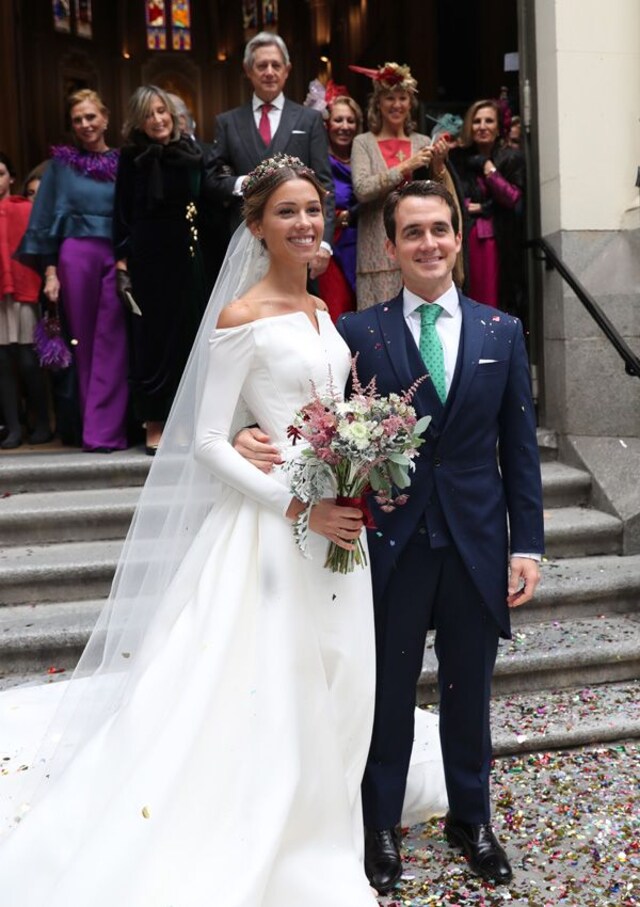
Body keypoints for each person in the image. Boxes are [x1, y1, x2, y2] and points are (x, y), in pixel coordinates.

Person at [0, 154, 379, 906]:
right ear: (258, 226)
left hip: (339, 520)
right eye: (286, 212)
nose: (305, 223)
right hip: (277, 528)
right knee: (272, 684)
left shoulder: (323, 314)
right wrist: (297, 504)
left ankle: (331, 804)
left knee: (344, 669)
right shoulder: (239, 317)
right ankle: (282, 828)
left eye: (312, 209)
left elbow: (324, 413)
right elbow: (207, 441)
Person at [234, 180, 544, 894]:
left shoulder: (502, 331)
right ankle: (379, 826)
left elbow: (519, 450)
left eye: (441, 229)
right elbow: (314, 415)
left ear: (458, 237)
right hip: (389, 543)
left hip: (476, 543)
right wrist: (251, 434)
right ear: (391, 246)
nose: (429, 243)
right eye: (413, 232)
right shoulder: (356, 333)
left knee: (471, 693)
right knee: (386, 692)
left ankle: (473, 818)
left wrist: (525, 544)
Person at [19, 89, 128, 453]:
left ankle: (108, 430)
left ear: (105, 118)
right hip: (74, 256)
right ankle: (90, 430)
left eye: (90, 117)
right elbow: (45, 221)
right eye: (78, 119)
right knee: (81, 345)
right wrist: (50, 274)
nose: (85, 124)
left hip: (114, 256)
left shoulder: (124, 162)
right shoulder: (60, 167)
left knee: (112, 341)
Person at [113, 85, 209, 454]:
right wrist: (122, 263)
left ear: (172, 113)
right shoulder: (131, 157)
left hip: (186, 256)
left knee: (187, 339)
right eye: (149, 114)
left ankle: (184, 422)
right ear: (139, 121)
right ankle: (155, 422)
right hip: (148, 261)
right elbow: (121, 213)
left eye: (162, 111)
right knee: (151, 344)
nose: (158, 119)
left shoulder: (190, 153)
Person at [207, 31, 335, 280]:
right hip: (246, 240)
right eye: (261, 65)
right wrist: (243, 183)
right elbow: (211, 180)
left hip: (299, 242)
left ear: (287, 70)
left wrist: (325, 243)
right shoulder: (228, 122)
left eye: (276, 65)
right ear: (248, 70)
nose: (269, 72)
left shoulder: (309, 120)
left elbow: (324, 183)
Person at [349, 62, 461, 309]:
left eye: (402, 98)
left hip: (420, 254)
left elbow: (439, 195)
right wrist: (405, 167)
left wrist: (439, 165)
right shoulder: (363, 142)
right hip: (375, 255)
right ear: (378, 103)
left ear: (411, 104)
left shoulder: (422, 141)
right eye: (389, 98)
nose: (396, 104)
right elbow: (362, 189)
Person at [449, 99, 526, 317]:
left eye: (488, 121)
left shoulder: (512, 158)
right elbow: (453, 198)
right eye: (477, 121)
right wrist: (478, 207)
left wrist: (487, 168)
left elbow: (512, 198)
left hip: (502, 239)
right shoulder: (457, 159)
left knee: (498, 303)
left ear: (499, 126)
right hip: (468, 237)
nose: (482, 126)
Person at [0, 152, 51, 449]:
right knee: (3, 363)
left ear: (11, 178)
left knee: (28, 360)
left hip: (24, 292)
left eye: (1, 173)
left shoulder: (24, 210)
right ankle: (14, 427)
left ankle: (42, 421)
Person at [316, 91, 362, 321]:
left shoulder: (365, 158)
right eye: (338, 119)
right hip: (332, 243)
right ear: (327, 123)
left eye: (350, 120)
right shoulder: (319, 160)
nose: (344, 126)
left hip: (363, 246)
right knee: (336, 309)